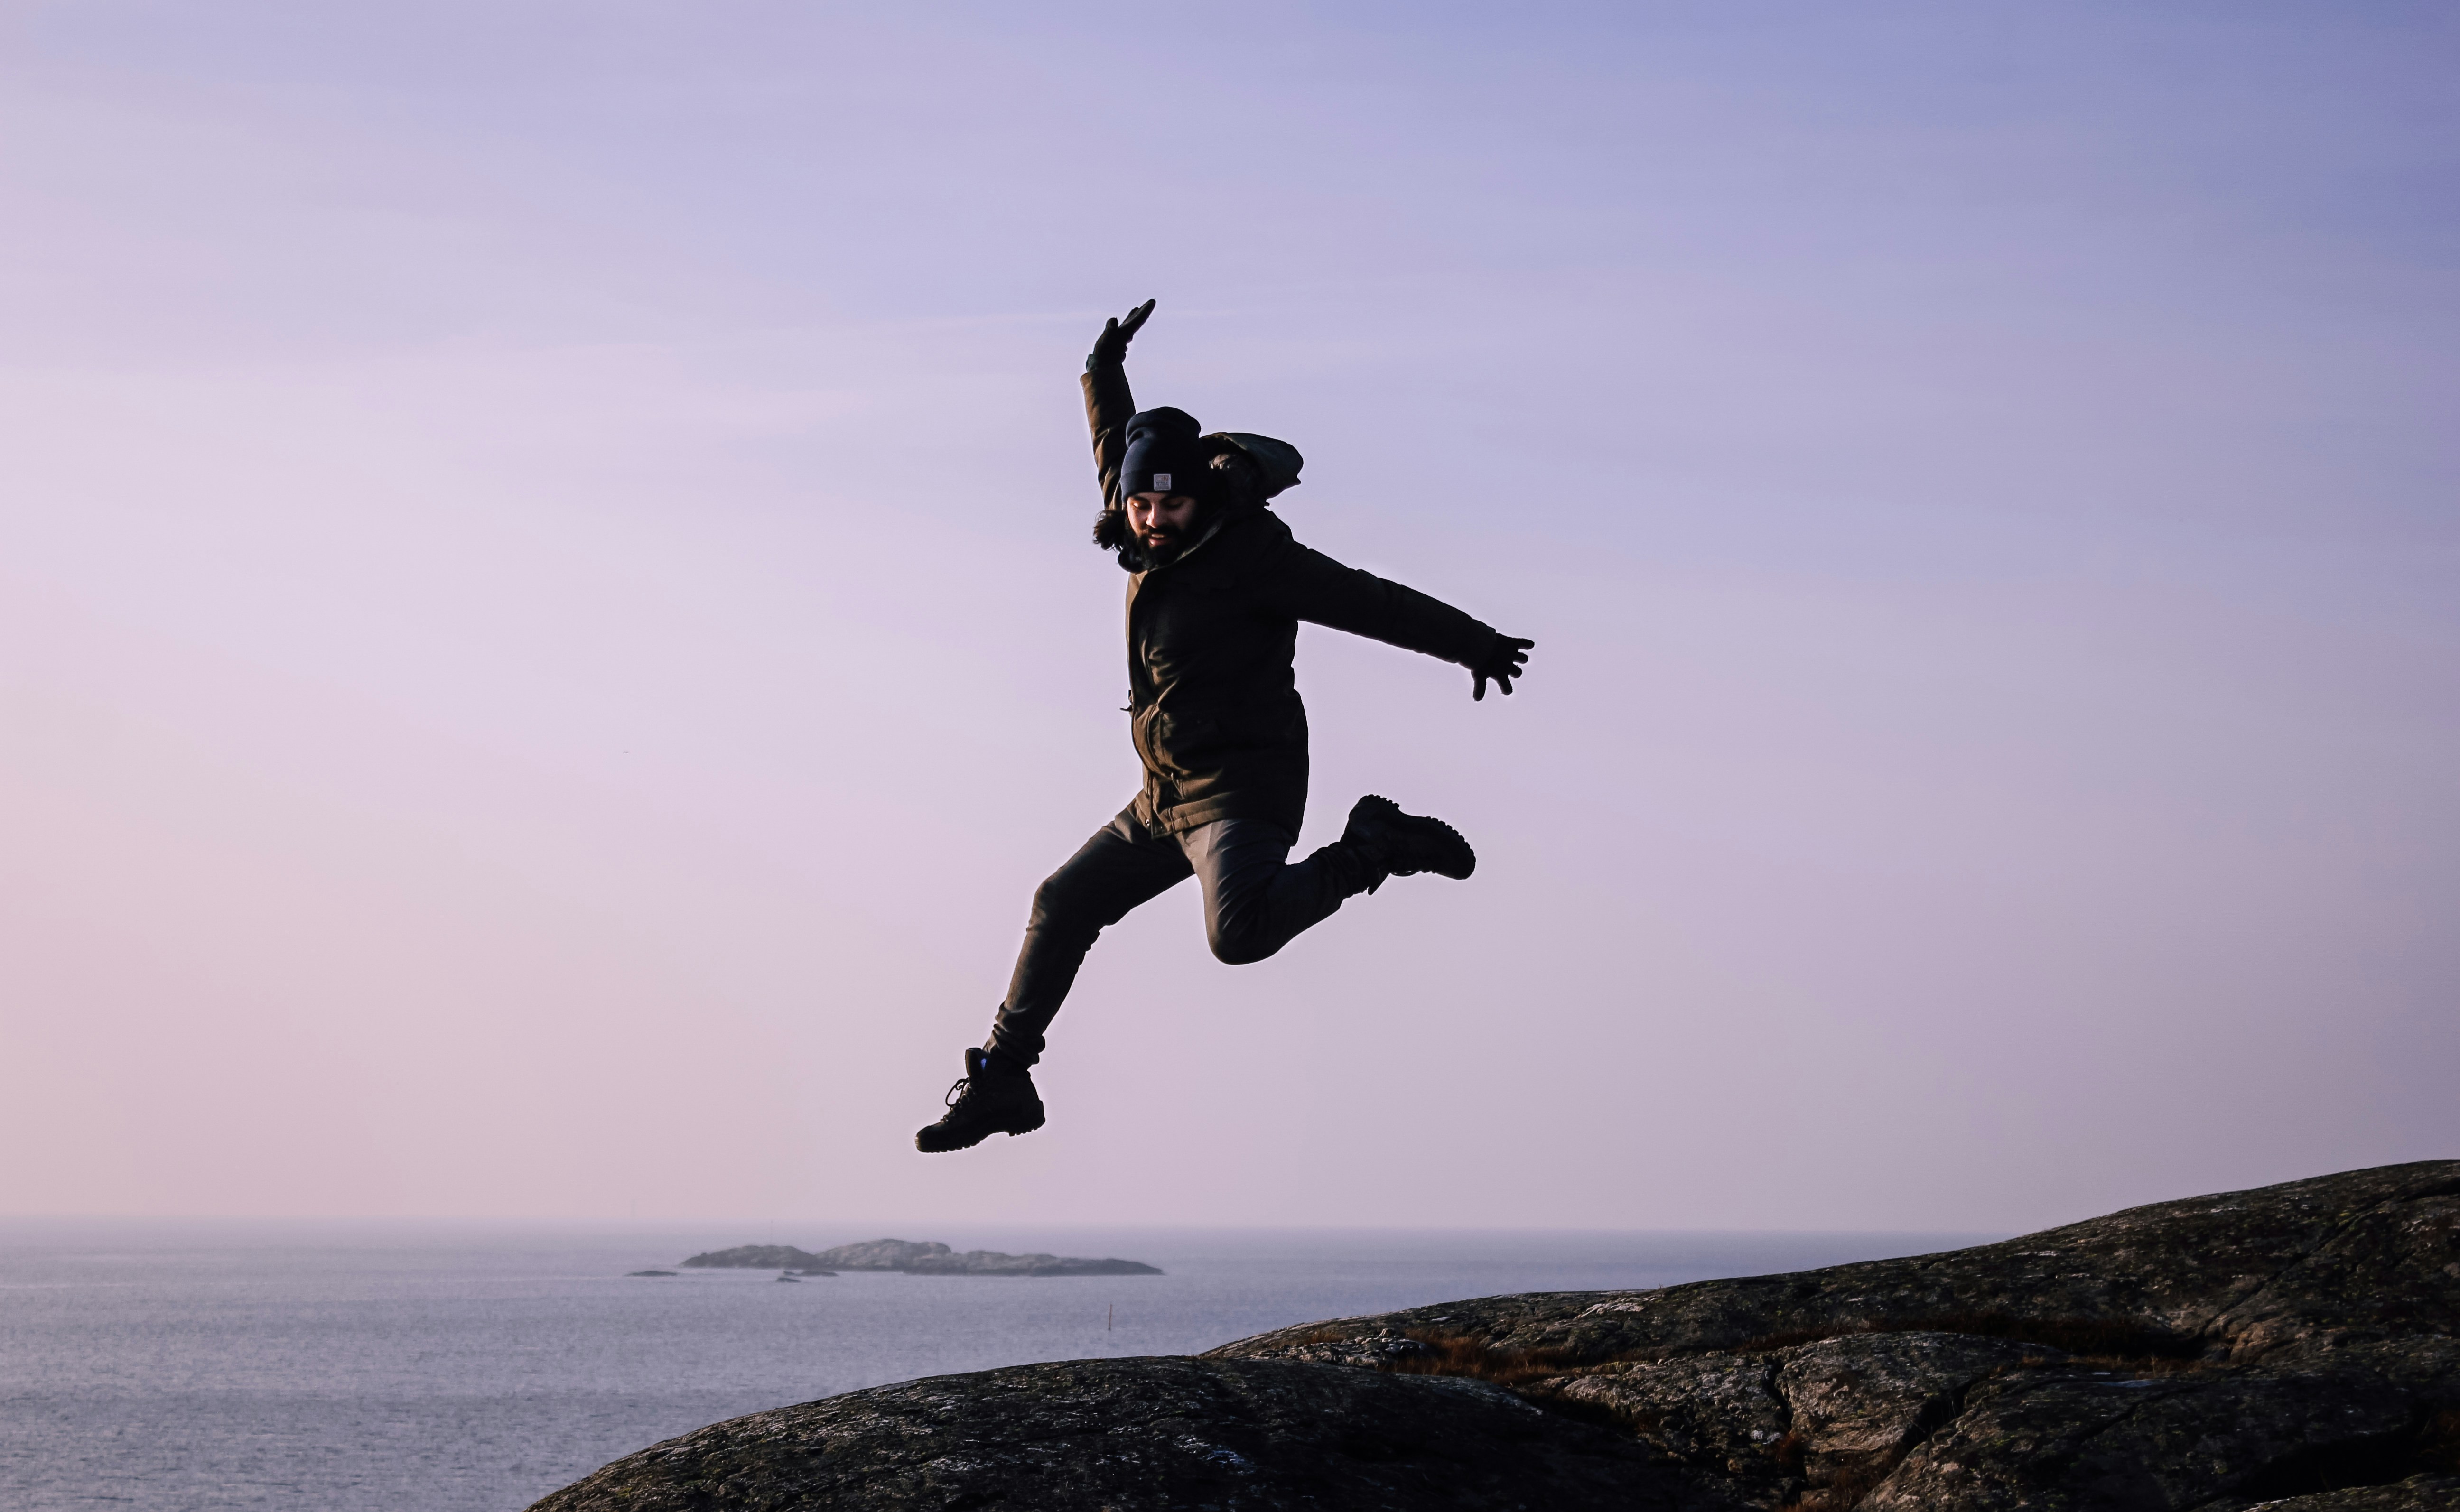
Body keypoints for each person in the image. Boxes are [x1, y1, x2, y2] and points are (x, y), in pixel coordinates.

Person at [915, 299, 1535, 1152]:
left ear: (1202, 497)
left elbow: (1367, 600)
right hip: (1165, 793)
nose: (1151, 520)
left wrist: (1474, 644)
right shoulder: (1139, 513)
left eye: (1169, 507)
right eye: (1138, 507)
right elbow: (1112, 440)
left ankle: (1375, 845)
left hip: (1246, 784)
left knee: (1237, 934)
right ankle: (1003, 1080)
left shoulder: (1253, 556)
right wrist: (1101, 366)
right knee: (1062, 902)